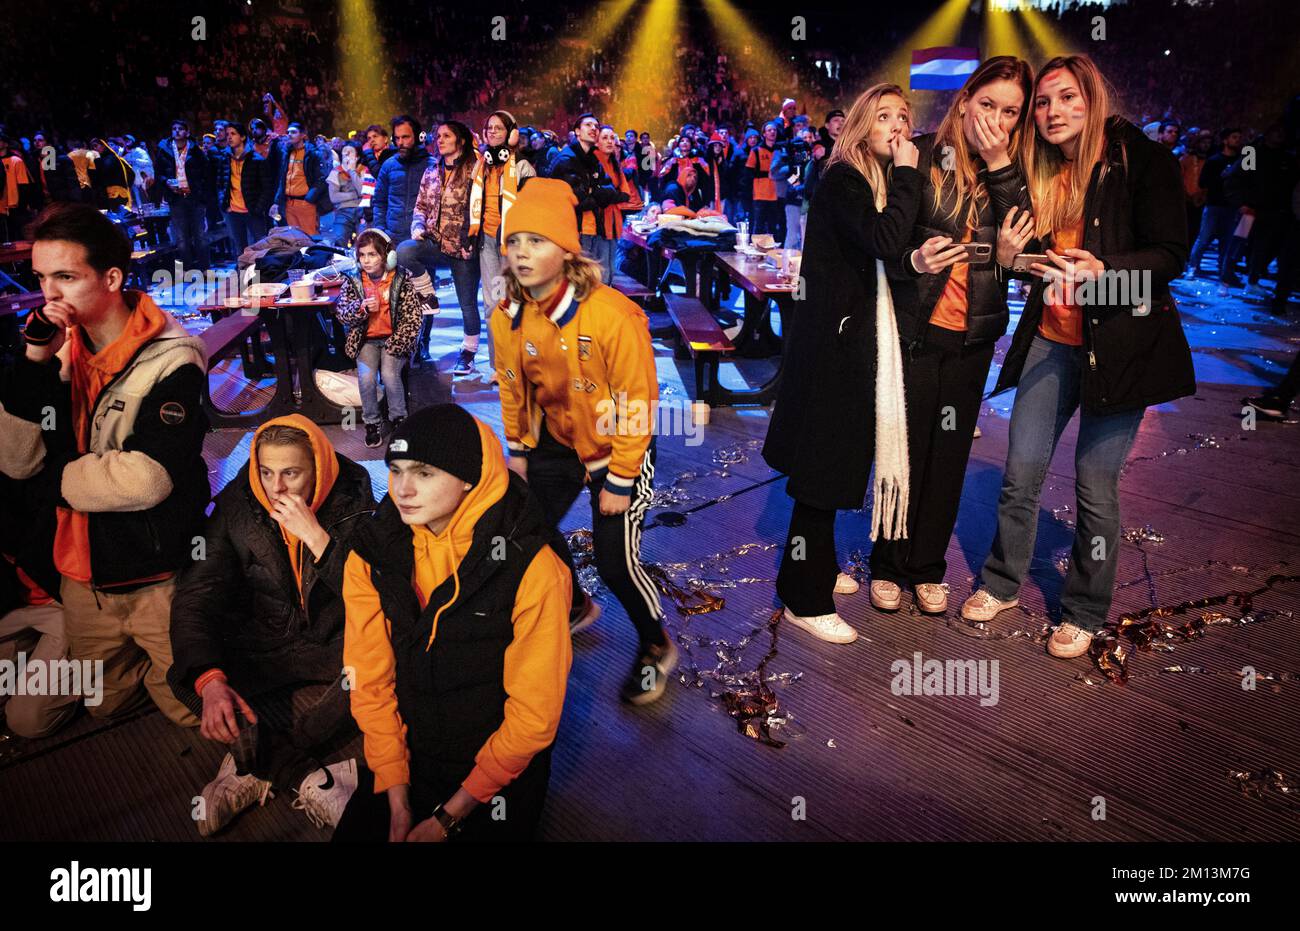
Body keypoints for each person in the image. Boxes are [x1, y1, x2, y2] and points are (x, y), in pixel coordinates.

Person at [960, 55, 1196, 659]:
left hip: (1123, 348)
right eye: (1042, 102)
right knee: (1020, 474)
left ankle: (1086, 610)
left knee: (1095, 487)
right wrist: (1013, 258)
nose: (1051, 112)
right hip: (1052, 341)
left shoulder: (1140, 161)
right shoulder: (1044, 168)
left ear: (1092, 100)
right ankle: (1001, 582)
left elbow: (1170, 254)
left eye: (1067, 99)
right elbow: (1034, 258)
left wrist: (1107, 271)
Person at [0, 203, 210, 724]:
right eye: (42, 278)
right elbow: (13, 459)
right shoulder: (55, 353)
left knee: (187, 712)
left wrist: (50, 483)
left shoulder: (173, 357)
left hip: (153, 574)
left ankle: (207, 637)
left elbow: (145, 478)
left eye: (66, 277)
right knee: (103, 707)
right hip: (81, 574)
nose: (50, 295)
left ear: (112, 277)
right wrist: (33, 364)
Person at [333, 404, 572, 842]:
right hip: (411, 748)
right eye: (396, 470)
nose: (403, 489)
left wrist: (450, 816)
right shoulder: (372, 553)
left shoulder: (530, 565)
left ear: (468, 478)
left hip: (496, 766)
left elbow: (534, 715)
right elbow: (367, 676)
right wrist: (393, 784)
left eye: (424, 473)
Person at [489, 178, 674, 703]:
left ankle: (656, 644)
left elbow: (638, 403)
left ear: (567, 250)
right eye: (515, 240)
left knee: (616, 564)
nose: (522, 252)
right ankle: (574, 606)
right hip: (554, 440)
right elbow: (511, 389)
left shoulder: (613, 314)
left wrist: (619, 479)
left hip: (617, 448)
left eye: (537, 240)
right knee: (527, 528)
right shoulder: (507, 316)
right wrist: (519, 451)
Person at [866, 56, 1034, 615]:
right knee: (904, 448)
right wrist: (914, 259)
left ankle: (927, 567)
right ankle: (888, 564)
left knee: (951, 454)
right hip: (916, 327)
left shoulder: (1014, 169)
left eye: (1010, 112)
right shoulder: (917, 154)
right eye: (987, 104)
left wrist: (1000, 163)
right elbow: (885, 242)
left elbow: (1026, 242)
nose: (996, 120)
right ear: (964, 101)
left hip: (973, 337)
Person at [761, 83, 922, 644]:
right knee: (824, 470)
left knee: (835, 459)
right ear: (860, 124)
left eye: (903, 116)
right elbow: (884, 239)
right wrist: (908, 173)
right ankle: (804, 595)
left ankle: (822, 563)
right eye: (884, 116)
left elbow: (887, 249)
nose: (897, 125)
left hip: (842, 337)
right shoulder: (846, 178)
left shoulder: (860, 180)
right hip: (834, 346)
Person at [169, 416, 374, 835]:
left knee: (388, 661)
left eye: (291, 473)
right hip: (270, 639)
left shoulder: (357, 500)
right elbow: (197, 592)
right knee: (192, 678)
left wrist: (319, 541)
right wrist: (210, 682)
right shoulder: (240, 502)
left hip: (338, 640)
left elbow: (379, 598)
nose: (275, 487)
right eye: (265, 471)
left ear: (318, 468)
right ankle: (310, 777)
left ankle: (255, 763)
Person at [403, 120, 482, 375]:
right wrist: (417, 225)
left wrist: (473, 239)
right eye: (438, 136)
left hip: (463, 248)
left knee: (467, 304)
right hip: (435, 242)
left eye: (447, 136)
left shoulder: (475, 169)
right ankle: (428, 293)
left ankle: (468, 352)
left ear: (460, 140)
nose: (440, 140)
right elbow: (421, 207)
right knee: (404, 251)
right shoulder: (432, 171)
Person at [335, 229, 423, 447]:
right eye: (362, 255)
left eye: (372, 254)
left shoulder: (401, 278)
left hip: (395, 339)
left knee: (390, 374)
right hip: (366, 341)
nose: (366, 260)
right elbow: (341, 314)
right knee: (366, 378)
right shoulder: (353, 280)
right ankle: (372, 423)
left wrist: (397, 342)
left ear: (386, 256)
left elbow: (414, 317)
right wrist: (360, 309)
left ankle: (398, 420)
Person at [469, 110, 537, 381]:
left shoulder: (523, 167)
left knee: (518, 303)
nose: (493, 132)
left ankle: (522, 364)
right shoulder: (481, 165)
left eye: (499, 128)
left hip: (514, 245)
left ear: (512, 134)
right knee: (492, 304)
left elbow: (534, 209)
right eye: (489, 128)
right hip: (487, 242)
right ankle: (499, 367)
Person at [550, 113, 630, 288]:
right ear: (577, 131)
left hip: (593, 227)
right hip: (575, 230)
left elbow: (611, 191)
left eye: (596, 126)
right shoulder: (566, 159)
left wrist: (593, 192)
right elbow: (577, 200)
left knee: (593, 282)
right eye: (588, 125)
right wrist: (597, 194)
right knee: (575, 284)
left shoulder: (594, 161)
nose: (593, 128)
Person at [373, 116, 436, 312]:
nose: (401, 142)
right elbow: (379, 201)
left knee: (424, 300)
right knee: (396, 300)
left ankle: (423, 342)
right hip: (394, 239)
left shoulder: (432, 164)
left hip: (420, 243)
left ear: (418, 137)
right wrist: (382, 232)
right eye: (397, 138)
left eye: (406, 137)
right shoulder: (389, 165)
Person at [1187, 127, 1244, 282]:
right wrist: (1222, 177)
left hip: (1232, 208)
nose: (1237, 140)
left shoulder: (1242, 161)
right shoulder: (1214, 160)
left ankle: (1224, 271)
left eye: (1239, 137)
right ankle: (1192, 267)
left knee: (1228, 242)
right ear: (1225, 140)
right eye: (1234, 136)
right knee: (1204, 238)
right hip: (1214, 205)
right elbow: (1203, 182)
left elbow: (1248, 180)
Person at [154, 120, 210, 270]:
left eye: (180, 129)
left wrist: (201, 191)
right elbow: (158, 174)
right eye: (174, 129)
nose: (177, 131)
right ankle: (189, 269)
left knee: (200, 236)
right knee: (181, 238)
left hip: (195, 198)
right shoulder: (164, 149)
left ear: (187, 132)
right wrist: (166, 182)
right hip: (176, 199)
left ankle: (205, 269)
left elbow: (206, 172)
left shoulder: (195, 150)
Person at [215, 122, 272, 256]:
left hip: (252, 211)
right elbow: (220, 183)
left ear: (242, 137)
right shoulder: (224, 158)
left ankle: (259, 277)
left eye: (233, 134)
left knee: (258, 250)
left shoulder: (257, 159)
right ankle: (243, 276)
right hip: (233, 212)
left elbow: (267, 188)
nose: (229, 137)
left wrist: (258, 208)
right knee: (239, 250)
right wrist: (224, 204)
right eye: (228, 134)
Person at [271, 122, 329, 236]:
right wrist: (277, 202)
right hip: (289, 204)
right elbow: (283, 179)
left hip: (305, 204)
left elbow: (321, 179)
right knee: (294, 240)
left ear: (303, 135)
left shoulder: (312, 154)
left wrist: (309, 198)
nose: (289, 135)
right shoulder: (287, 153)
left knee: (309, 239)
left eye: (293, 132)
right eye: (288, 132)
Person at [323, 140, 370, 248]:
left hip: (362, 211)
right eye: (344, 151)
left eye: (350, 152)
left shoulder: (363, 170)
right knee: (338, 240)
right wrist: (354, 195)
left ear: (357, 157)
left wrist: (352, 171)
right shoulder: (336, 172)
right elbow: (334, 197)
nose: (346, 154)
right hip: (344, 211)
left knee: (364, 241)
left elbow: (363, 191)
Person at [746, 121, 783, 241]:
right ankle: (755, 250)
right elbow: (749, 171)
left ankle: (772, 252)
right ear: (764, 134)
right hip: (760, 194)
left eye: (774, 130)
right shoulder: (756, 150)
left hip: (777, 194)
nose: (772, 132)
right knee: (759, 226)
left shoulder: (781, 150)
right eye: (769, 130)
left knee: (774, 227)